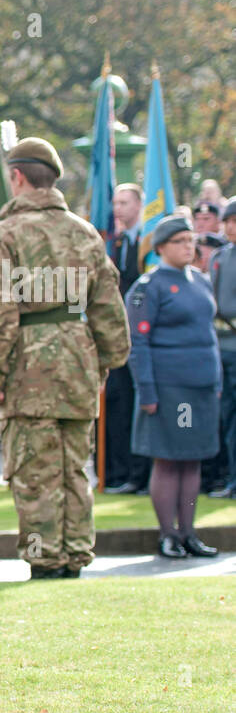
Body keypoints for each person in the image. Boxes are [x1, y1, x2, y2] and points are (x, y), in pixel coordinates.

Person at [0, 137, 131, 579]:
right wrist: (106, 360)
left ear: (18, 177)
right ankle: (76, 554)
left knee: (33, 469)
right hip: (78, 357)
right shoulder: (85, 232)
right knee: (73, 468)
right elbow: (107, 307)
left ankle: (45, 559)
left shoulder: (3, 235)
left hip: (28, 361)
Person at [126, 215, 221, 558]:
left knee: (193, 461)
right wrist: (147, 391)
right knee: (169, 460)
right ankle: (168, 534)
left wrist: (217, 381)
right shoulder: (148, 286)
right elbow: (138, 342)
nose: (188, 246)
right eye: (179, 241)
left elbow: (207, 334)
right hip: (171, 388)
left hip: (201, 386)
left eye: (190, 240)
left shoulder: (199, 280)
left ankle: (189, 531)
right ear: (161, 247)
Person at [105, 183, 151, 494]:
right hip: (118, 335)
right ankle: (117, 471)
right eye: (115, 203)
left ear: (139, 205)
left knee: (140, 403)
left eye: (124, 202)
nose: (118, 209)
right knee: (118, 403)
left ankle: (141, 473)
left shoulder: (149, 245)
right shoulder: (116, 243)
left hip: (144, 338)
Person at [206, 199, 236, 499]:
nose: (230, 227)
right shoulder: (218, 258)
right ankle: (230, 479)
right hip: (221, 348)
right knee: (227, 416)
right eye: (227, 221)